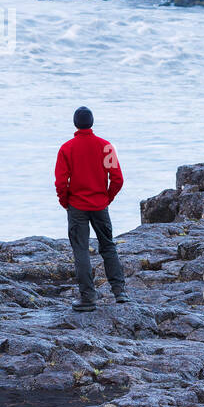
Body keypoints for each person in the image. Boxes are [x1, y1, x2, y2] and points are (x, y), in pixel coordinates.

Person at [54, 106, 128, 312]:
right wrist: (107, 197)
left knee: (81, 251)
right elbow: (118, 179)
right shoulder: (105, 147)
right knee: (108, 246)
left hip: (77, 205)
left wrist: (65, 201)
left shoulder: (66, 149)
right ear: (92, 122)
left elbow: (61, 182)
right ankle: (119, 292)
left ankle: (88, 298)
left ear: (75, 123)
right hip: (100, 205)